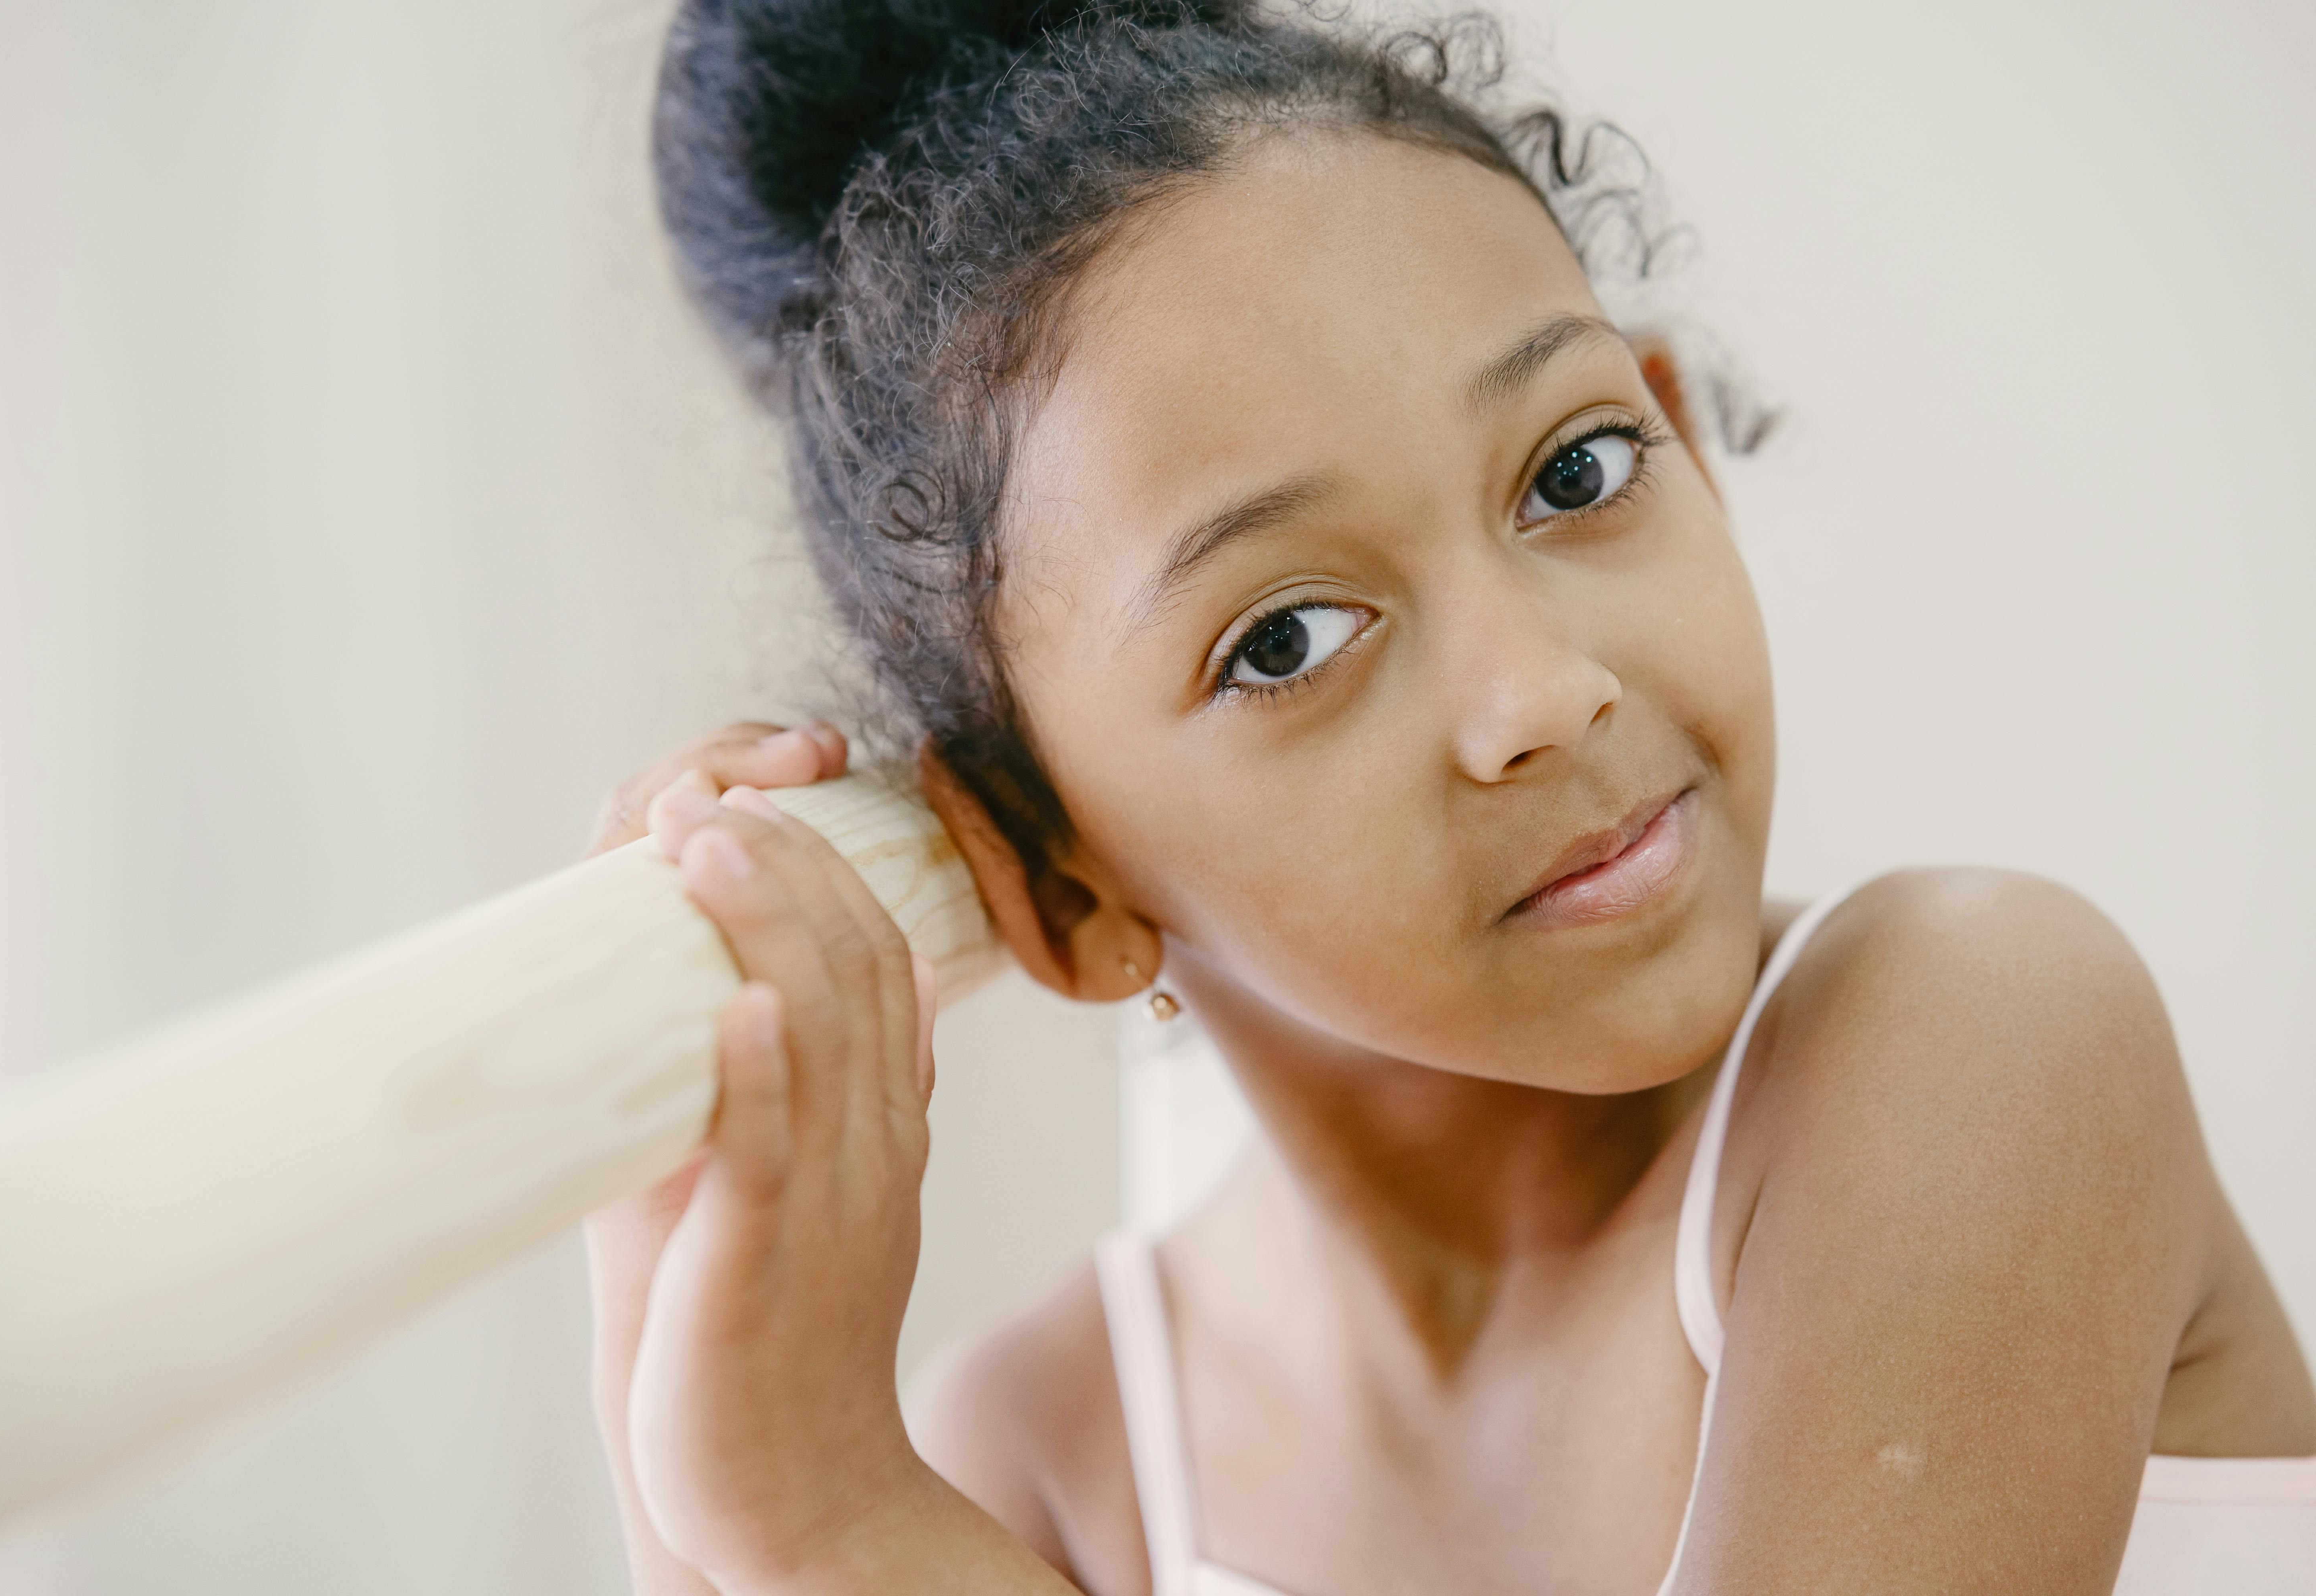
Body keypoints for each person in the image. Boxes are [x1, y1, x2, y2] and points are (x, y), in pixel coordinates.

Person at [579, 2, 2316, 1590]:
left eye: (1577, 470)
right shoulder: (1049, 1455)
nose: (1547, 693)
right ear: (1057, 877)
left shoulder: (1977, 1040)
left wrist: (834, 1521)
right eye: (1287, 640)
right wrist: (673, 1388)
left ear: (1683, 444)